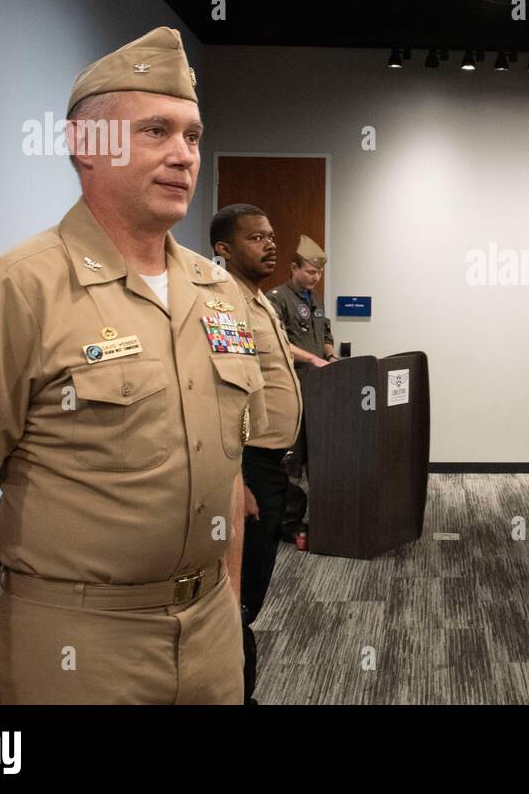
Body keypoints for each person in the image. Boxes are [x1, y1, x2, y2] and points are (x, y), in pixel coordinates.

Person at [0, 27, 255, 703]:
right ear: (85, 147)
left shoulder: (220, 292)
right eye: (156, 130)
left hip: (211, 641)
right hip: (75, 652)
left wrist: (229, 612)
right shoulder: (14, 290)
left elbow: (229, 473)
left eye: (192, 134)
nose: (183, 155)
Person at [210, 203, 302, 703]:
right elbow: (225, 399)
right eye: (255, 238)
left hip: (272, 465)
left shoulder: (261, 300)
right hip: (249, 468)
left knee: (253, 593)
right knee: (238, 599)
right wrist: (237, 481)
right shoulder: (227, 306)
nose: (269, 245)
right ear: (223, 249)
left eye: (271, 236)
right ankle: (236, 693)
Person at [267, 236, 336, 546]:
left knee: (316, 454)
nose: (314, 278)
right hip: (290, 387)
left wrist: (330, 354)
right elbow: (277, 343)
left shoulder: (314, 298)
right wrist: (313, 358)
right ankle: (288, 522)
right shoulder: (276, 298)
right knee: (292, 459)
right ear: (293, 267)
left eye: (318, 273)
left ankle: (314, 515)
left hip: (318, 388)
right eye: (309, 272)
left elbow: (324, 330)